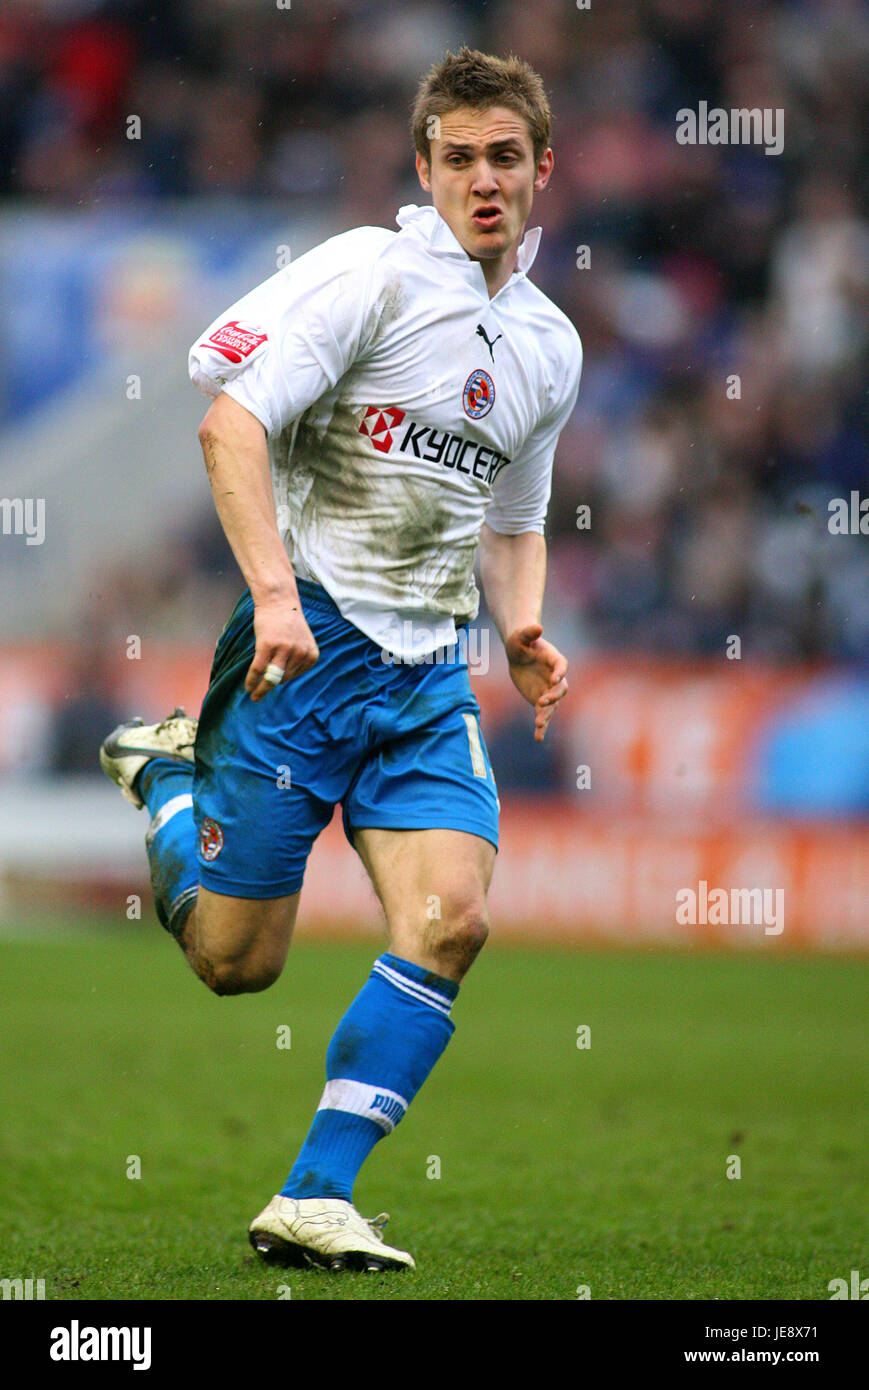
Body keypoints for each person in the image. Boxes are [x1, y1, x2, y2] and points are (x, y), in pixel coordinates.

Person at [100, 46, 582, 1273]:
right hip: (300, 654)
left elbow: (514, 518)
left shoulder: (546, 345)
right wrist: (271, 598)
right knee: (234, 964)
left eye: (506, 157)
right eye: (460, 157)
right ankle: (168, 780)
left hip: (423, 681)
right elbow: (231, 421)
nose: (484, 179)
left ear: (542, 172)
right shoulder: (369, 278)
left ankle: (316, 1192)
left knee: (452, 921)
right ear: (423, 168)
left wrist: (519, 623)